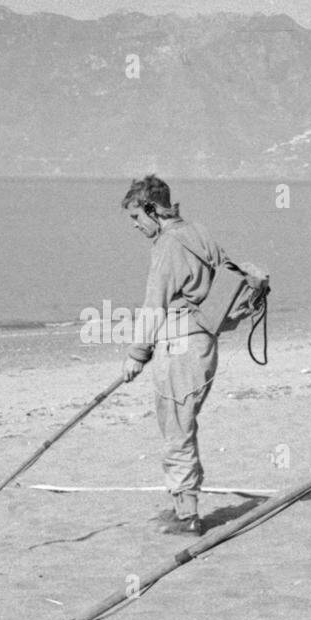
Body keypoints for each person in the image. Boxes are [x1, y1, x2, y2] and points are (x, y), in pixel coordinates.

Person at [120, 175, 225, 536]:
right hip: (202, 345)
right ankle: (183, 506)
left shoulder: (167, 245)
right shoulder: (198, 233)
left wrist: (137, 353)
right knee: (182, 425)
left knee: (177, 429)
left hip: (179, 347)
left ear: (152, 209)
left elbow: (154, 305)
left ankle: (188, 516)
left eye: (137, 217)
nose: (135, 226)